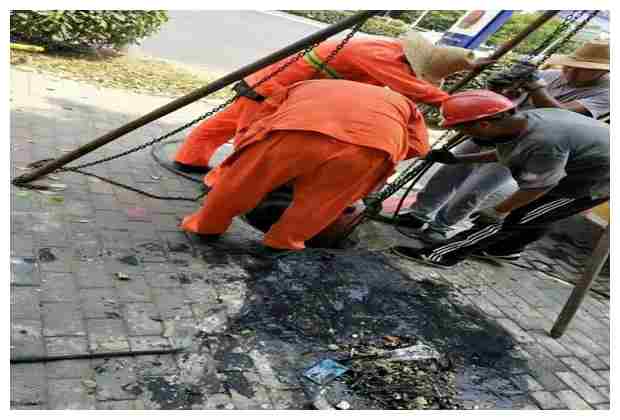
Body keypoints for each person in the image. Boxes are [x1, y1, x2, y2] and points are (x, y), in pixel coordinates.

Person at [173, 30, 493, 177]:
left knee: (231, 122)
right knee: (251, 133)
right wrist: (464, 106)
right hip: (278, 84)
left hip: (284, 81)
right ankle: (223, 182)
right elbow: (417, 92)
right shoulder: (386, 58)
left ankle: (191, 159)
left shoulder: (388, 48)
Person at [397, 40, 610, 243]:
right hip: (498, 128)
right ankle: (419, 213)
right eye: (569, 66)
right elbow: (506, 104)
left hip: (535, 143)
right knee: (450, 169)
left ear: (603, 70)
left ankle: (440, 226)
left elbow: (557, 115)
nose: (570, 72)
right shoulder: (551, 75)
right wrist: (502, 89)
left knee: (478, 186)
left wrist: (536, 88)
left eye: (581, 69)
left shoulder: (607, 94)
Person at [181, 79, 431, 251]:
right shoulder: (405, 104)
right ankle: (282, 244)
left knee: (240, 183)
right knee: (322, 203)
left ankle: (206, 228)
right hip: (371, 149)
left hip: (294, 132)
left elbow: (263, 114)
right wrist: (374, 162)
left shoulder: (307, 85)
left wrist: (250, 151)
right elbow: (419, 147)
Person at [392, 90, 609, 267]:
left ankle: (442, 255)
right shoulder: (524, 122)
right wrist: (458, 159)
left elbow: (540, 185)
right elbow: (512, 153)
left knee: (511, 218)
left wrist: (497, 210)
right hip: (576, 168)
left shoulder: (545, 141)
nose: (468, 137)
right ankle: (504, 250)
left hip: (594, 183)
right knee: (526, 216)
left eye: (465, 131)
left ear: (484, 125)